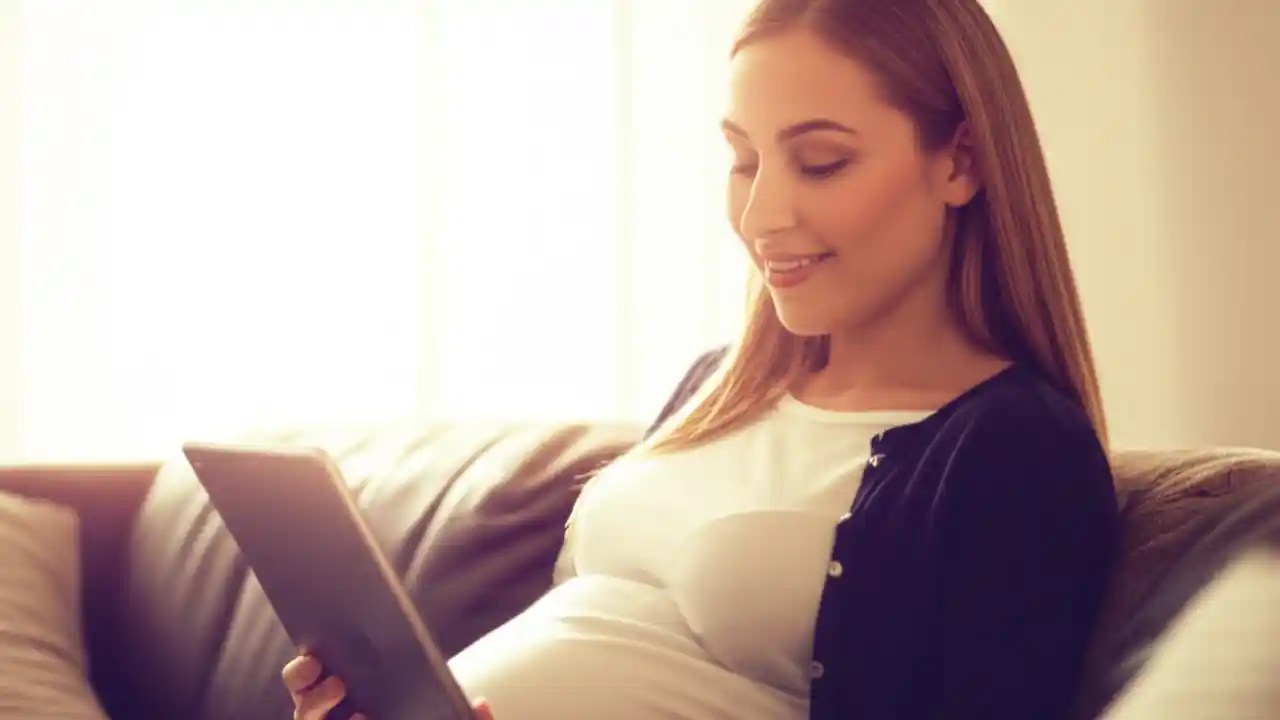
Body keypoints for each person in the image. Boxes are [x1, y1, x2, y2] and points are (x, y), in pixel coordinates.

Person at [284, 0, 1119, 717]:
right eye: (743, 160)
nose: (760, 215)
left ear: (960, 162)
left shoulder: (1017, 452)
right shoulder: (715, 385)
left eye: (820, 163)